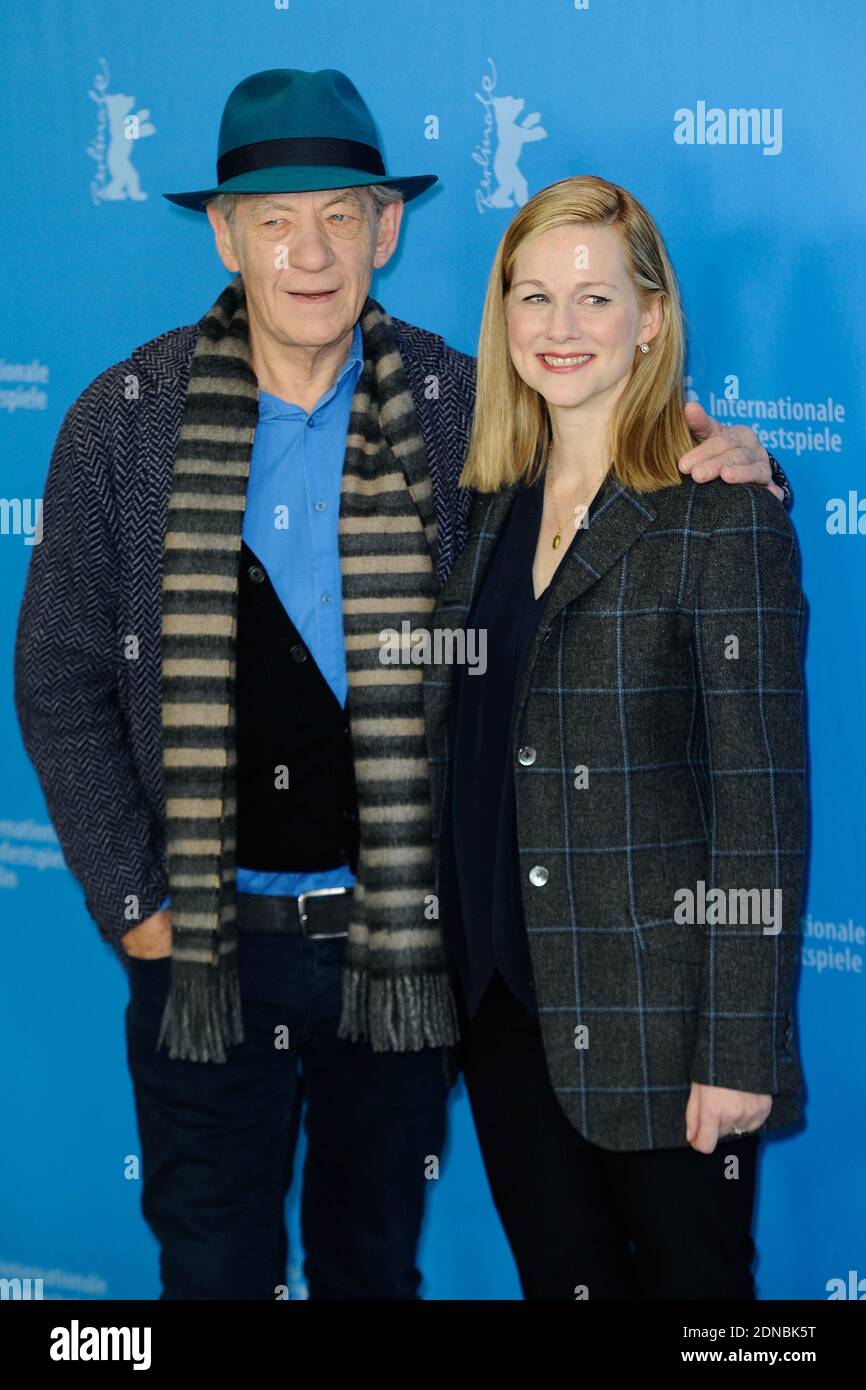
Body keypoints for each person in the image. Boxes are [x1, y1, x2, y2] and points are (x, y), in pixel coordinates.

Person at [14, 66, 790, 1302]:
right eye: (273, 217)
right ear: (223, 232)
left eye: (340, 213)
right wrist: (136, 909)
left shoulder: (461, 407)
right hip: (205, 956)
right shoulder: (124, 421)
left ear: (386, 226)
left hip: (405, 952)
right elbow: (56, 678)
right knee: (211, 1269)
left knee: (370, 1264)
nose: (309, 250)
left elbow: (623, 469)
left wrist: (739, 460)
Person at [423, 174, 807, 1301]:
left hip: (662, 1019)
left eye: (593, 299)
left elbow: (761, 802)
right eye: (533, 297)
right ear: (500, 317)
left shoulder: (720, 512)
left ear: (650, 315)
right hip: (503, 1010)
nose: (559, 328)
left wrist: (738, 1053)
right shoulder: (487, 503)